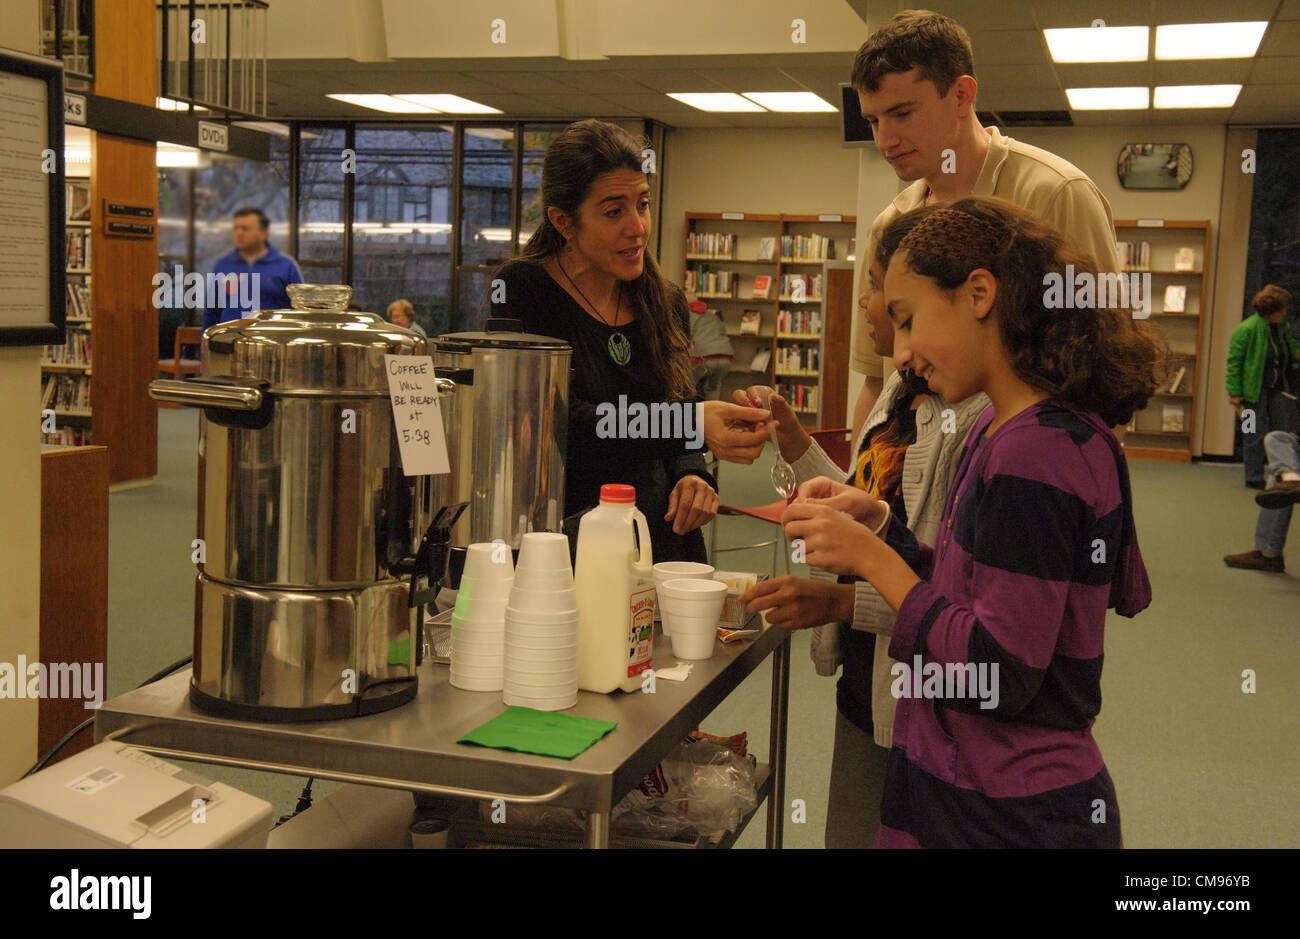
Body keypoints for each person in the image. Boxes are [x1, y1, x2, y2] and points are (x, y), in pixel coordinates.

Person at [783, 197, 1162, 847]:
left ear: (979, 294)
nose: (900, 355)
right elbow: (972, 588)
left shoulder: (1032, 453)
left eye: (907, 321)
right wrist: (881, 525)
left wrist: (873, 562)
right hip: (968, 787)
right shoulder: (1000, 426)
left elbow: (999, 668)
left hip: (1004, 809)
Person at [736, 206, 988, 847]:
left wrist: (842, 598)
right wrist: (796, 445)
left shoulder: (972, 418)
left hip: (909, 678)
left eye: (880, 291)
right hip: (865, 667)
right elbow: (872, 501)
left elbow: (953, 591)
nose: (869, 304)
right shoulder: (900, 389)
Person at [845, 10, 1123, 438]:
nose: (884, 140)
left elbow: (1106, 365)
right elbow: (878, 381)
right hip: (913, 485)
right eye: (874, 121)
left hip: (1026, 475)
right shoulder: (890, 226)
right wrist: (860, 486)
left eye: (901, 114)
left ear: (960, 95)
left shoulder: (1055, 195)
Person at [489, 119, 718, 563]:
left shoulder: (663, 298)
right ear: (563, 221)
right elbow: (556, 424)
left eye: (643, 205)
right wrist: (690, 422)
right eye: (614, 212)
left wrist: (692, 473)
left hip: (662, 533)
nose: (637, 228)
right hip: (570, 537)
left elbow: (679, 398)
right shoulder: (524, 290)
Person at [1226, 285, 1299, 488]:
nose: (1284, 312)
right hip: (1251, 393)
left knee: (1281, 432)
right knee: (1252, 433)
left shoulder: (1280, 326)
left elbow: (1291, 348)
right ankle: (1253, 476)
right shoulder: (1246, 329)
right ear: (1270, 310)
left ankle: (1282, 474)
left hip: (1277, 389)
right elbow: (1234, 362)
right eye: (1281, 309)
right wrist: (1234, 392)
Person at [202, 207, 303, 331]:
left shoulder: (286, 266)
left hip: (271, 343)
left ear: (263, 233)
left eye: (245, 229)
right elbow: (211, 312)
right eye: (236, 228)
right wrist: (205, 343)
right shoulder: (223, 265)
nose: (239, 233)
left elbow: (299, 311)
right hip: (228, 343)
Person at [1224, 430, 1300, 572]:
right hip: (1252, 408)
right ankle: (1257, 476)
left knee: (1261, 438)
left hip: (1258, 411)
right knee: (1262, 436)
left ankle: (1269, 553)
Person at [686, 293, 734, 401]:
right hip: (725, 356)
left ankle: (690, 415)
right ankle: (711, 415)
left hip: (703, 357)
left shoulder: (687, 315)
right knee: (712, 388)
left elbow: (685, 335)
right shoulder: (712, 315)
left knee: (688, 388)